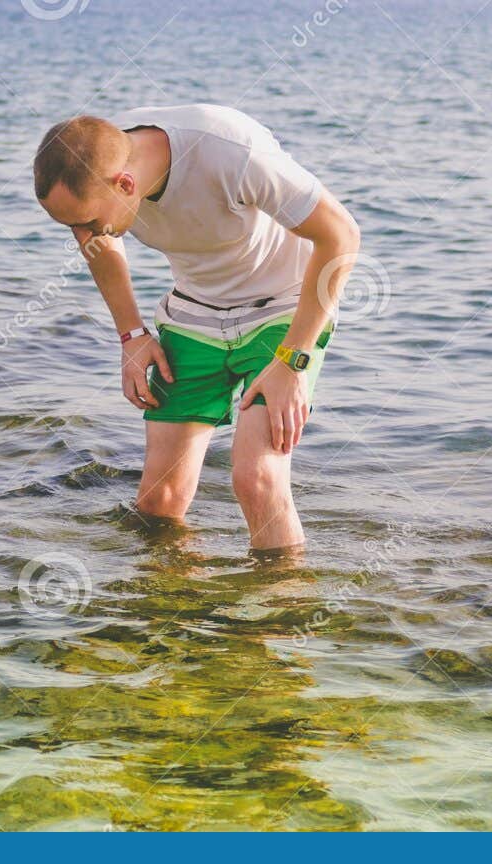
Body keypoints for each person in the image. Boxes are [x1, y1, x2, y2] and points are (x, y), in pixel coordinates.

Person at [32, 104, 360, 552]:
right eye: (71, 225)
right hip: (194, 312)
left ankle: (280, 617)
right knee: (158, 502)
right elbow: (98, 243)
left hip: (282, 312)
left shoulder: (229, 151)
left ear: (126, 185)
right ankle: (175, 613)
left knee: (257, 480)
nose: (83, 235)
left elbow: (341, 235)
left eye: (87, 221)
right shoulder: (100, 163)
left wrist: (292, 360)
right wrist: (132, 335)